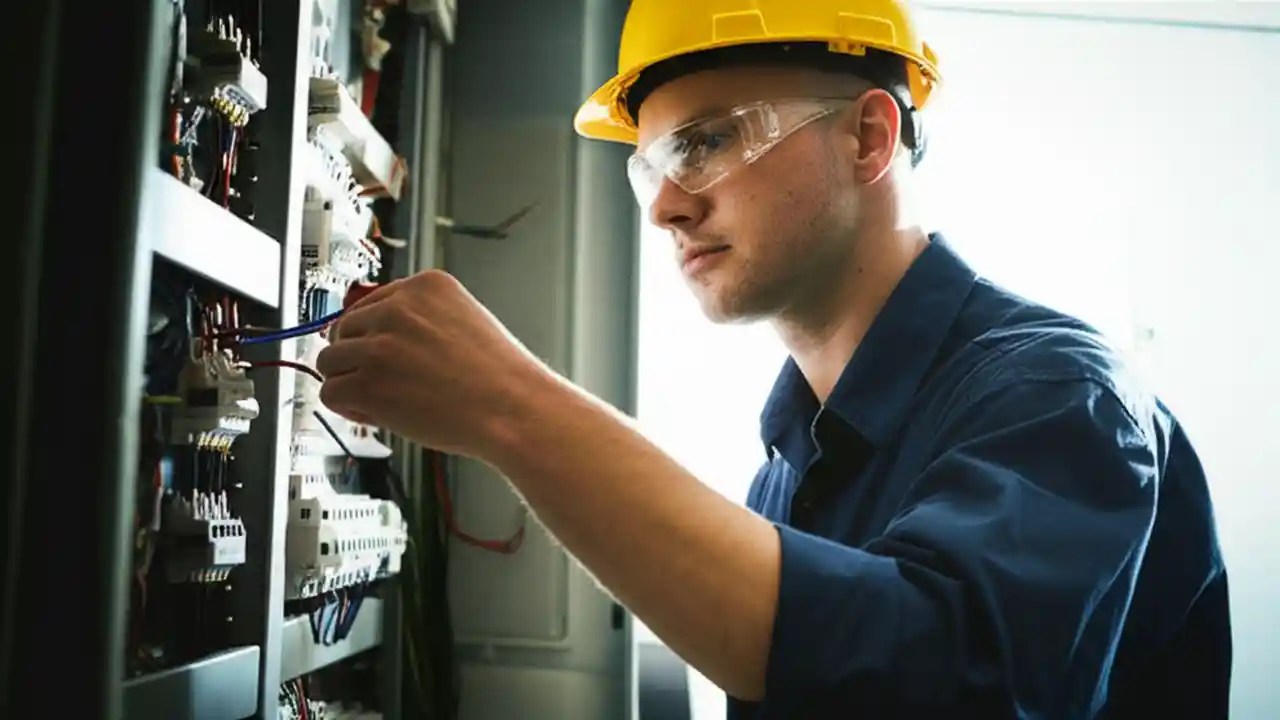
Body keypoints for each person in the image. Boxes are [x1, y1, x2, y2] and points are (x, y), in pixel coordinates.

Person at [316, 1, 1232, 717]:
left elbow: (939, 685)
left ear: (870, 137)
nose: (664, 207)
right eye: (649, 166)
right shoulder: (786, 475)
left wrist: (509, 408)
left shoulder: (1056, 390)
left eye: (707, 142)